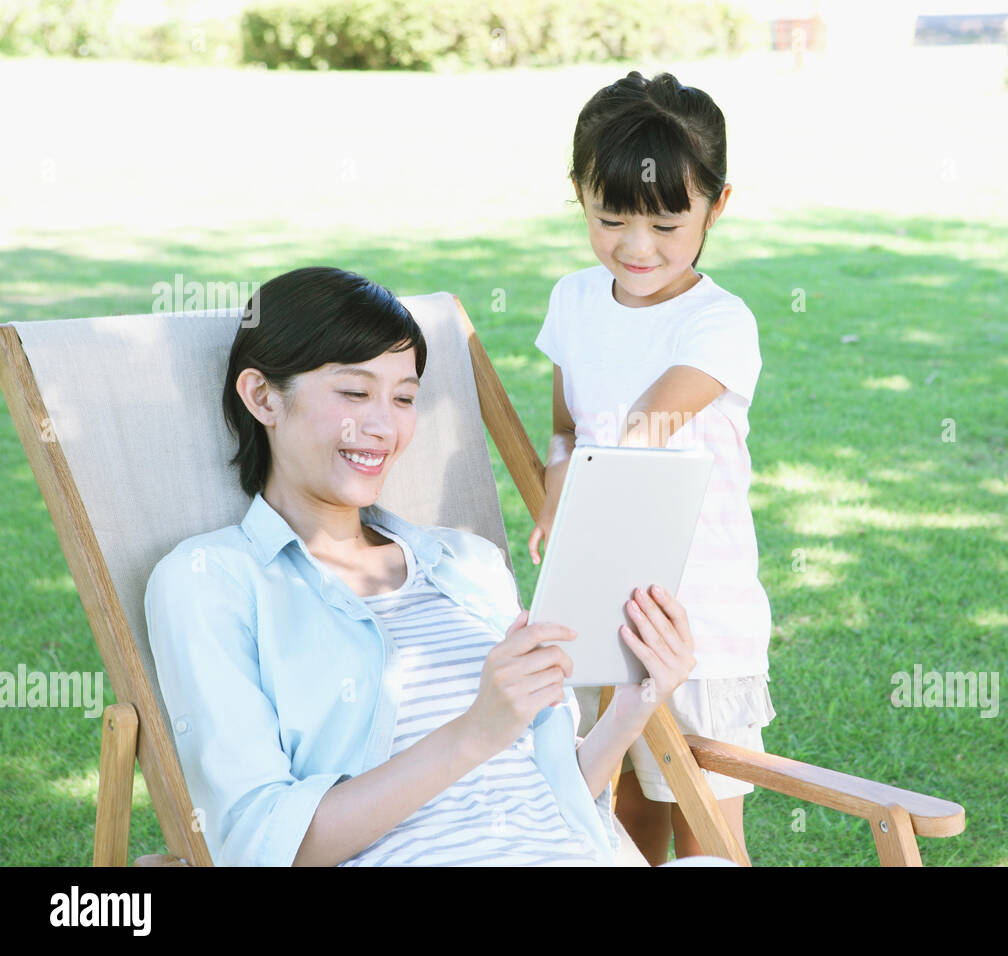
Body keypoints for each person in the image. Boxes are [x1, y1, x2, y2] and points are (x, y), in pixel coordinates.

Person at [144, 266, 706, 866]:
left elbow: (552, 788)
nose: (384, 426)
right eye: (355, 393)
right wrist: (474, 732)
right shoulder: (211, 581)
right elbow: (260, 848)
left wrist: (633, 704)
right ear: (262, 397)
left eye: (405, 397)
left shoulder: (468, 564)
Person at [528, 71, 775, 865]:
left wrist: (582, 484)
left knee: (704, 824)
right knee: (623, 818)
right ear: (580, 194)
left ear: (717, 206)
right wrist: (554, 479)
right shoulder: (572, 300)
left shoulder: (718, 323)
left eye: (668, 224)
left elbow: (644, 430)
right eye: (610, 218)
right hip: (601, 604)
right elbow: (568, 424)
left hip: (695, 618)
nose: (637, 247)